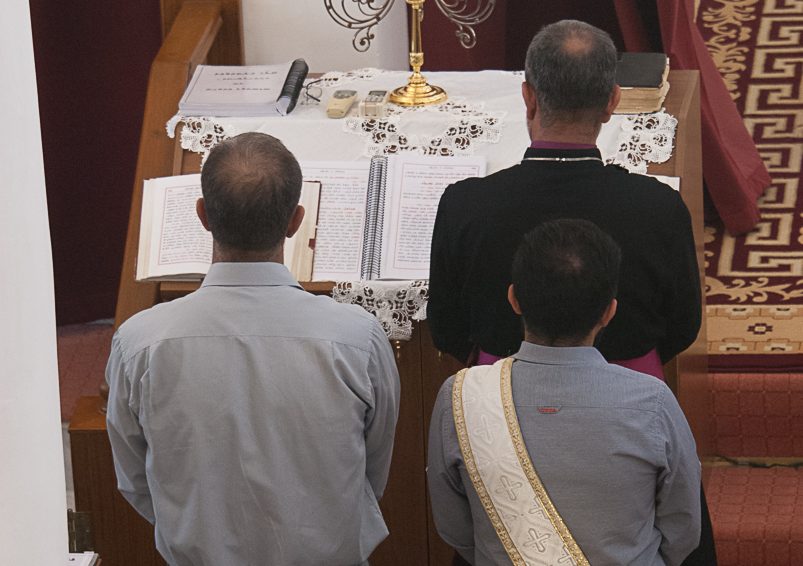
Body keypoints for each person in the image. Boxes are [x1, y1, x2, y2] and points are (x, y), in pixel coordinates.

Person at [106, 132, 400, 566]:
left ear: (203, 215)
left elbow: (135, 478)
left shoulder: (141, 342)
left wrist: (200, 531)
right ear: (296, 221)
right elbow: (372, 470)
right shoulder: (356, 337)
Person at [427, 19, 701, 379]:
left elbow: (447, 329)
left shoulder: (465, 205)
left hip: (501, 398)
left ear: (528, 98)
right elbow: (683, 325)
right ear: (612, 102)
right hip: (629, 393)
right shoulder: (659, 207)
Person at [427, 219, 702, 565]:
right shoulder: (653, 402)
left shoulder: (460, 396)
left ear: (514, 299)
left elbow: (455, 529)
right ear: (609, 312)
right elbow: (684, 528)